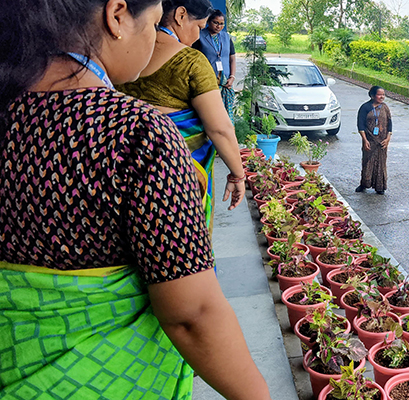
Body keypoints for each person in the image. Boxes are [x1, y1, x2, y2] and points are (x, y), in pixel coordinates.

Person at [0, 0, 271, 398]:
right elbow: (192, 314)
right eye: (152, 20)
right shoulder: (137, 136)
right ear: (117, 16)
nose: (152, 36)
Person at [118, 0, 246, 235]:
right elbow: (219, 128)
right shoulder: (191, 61)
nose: (198, 36)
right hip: (178, 181)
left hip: (124, 176)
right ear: (180, 15)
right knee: (182, 242)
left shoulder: (121, 56)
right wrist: (237, 175)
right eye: (198, 26)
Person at [192, 9, 236, 122]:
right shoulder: (199, 36)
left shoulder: (226, 37)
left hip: (225, 83)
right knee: (210, 117)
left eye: (221, 24)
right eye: (215, 22)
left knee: (225, 118)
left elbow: (232, 58)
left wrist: (232, 77)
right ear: (208, 22)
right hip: (207, 82)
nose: (218, 26)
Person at [356, 86, 393, 194]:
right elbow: (360, 124)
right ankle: (364, 184)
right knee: (367, 162)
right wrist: (364, 140)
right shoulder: (365, 107)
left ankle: (380, 186)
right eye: (379, 94)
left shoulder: (385, 107)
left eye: (383, 95)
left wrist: (388, 139)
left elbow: (389, 123)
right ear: (372, 95)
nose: (382, 97)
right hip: (369, 139)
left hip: (382, 140)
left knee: (381, 163)